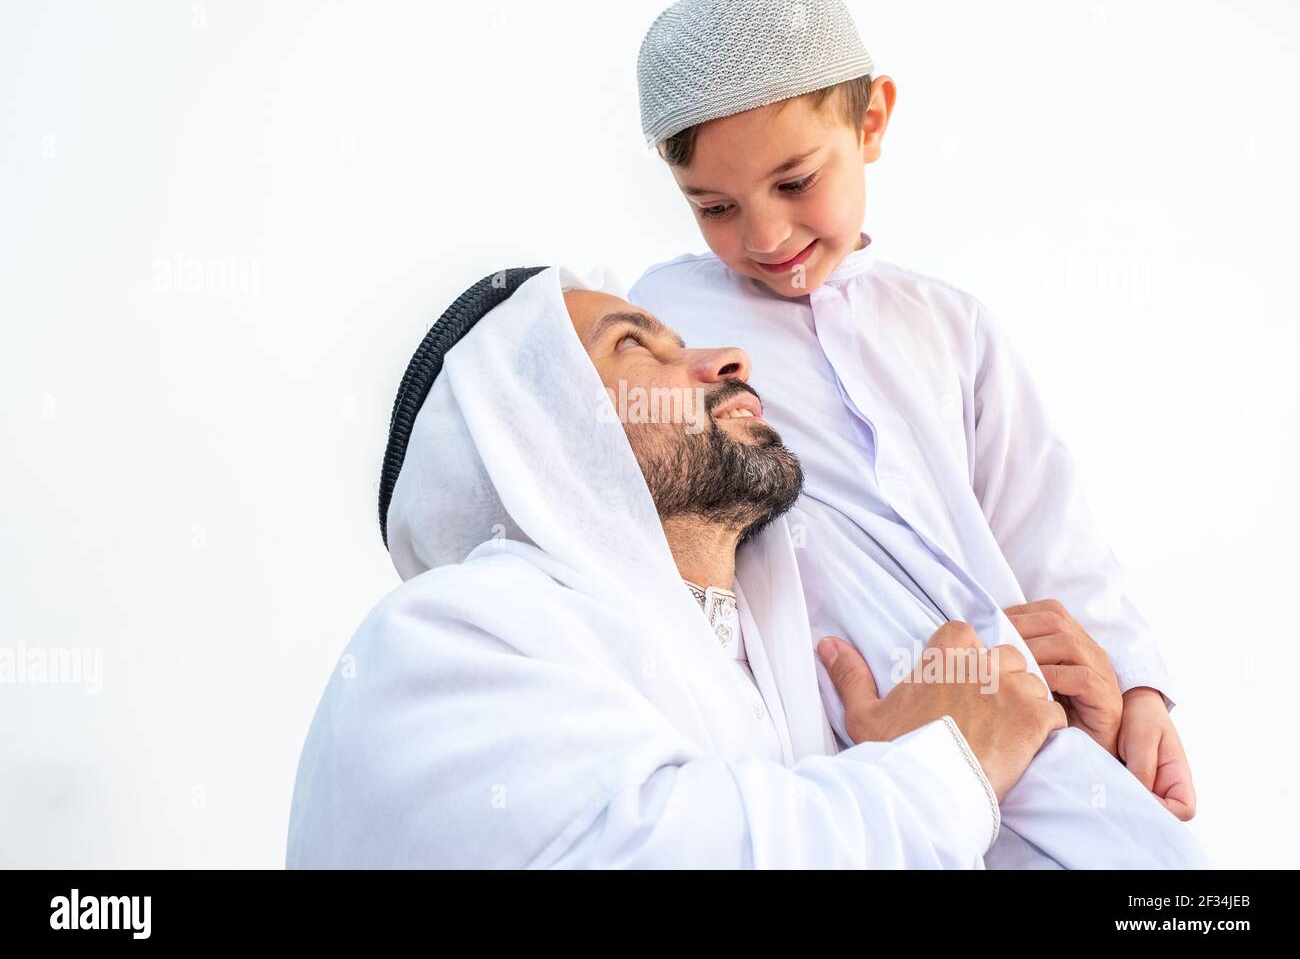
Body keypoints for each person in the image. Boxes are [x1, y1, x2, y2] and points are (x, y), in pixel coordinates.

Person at [285, 265, 1206, 868]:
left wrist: (1046, 739)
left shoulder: (795, 696)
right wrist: (950, 761)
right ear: (541, 442)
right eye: (636, 346)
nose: (724, 357)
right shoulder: (436, 643)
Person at [630, 0, 1195, 820]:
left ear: (873, 120)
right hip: (845, 749)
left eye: (793, 182)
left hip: (1031, 708)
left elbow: (1044, 519)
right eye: (713, 205)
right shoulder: (666, 323)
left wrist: (1139, 684)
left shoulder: (947, 324)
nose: (764, 234)